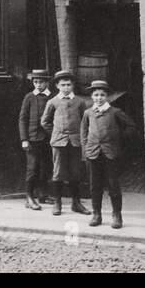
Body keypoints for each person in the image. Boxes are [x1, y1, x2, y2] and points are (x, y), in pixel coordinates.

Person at [81, 80, 137, 229]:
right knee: (94, 186)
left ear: (107, 97)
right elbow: (84, 133)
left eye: (102, 95)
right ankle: (97, 214)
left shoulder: (115, 112)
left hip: (110, 153)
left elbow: (131, 126)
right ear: (92, 96)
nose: (99, 98)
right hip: (93, 153)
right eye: (96, 95)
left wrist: (117, 137)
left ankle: (117, 215)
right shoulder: (88, 113)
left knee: (113, 185)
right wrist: (85, 150)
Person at [41, 70, 91, 216]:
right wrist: (57, 133)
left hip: (75, 142)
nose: (66, 87)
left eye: (69, 84)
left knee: (75, 172)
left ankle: (76, 203)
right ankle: (58, 203)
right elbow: (45, 122)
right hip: (58, 142)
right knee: (58, 173)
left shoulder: (80, 102)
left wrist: (79, 135)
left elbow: (85, 121)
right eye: (63, 85)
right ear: (57, 85)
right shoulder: (53, 102)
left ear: (73, 85)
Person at [18, 68, 54, 210]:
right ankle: (29, 197)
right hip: (32, 139)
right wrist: (24, 139)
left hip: (48, 138)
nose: (38, 85)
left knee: (46, 167)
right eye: (35, 82)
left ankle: (43, 194)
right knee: (32, 168)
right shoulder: (29, 97)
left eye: (41, 82)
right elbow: (22, 119)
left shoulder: (53, 97)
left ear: (47, 82)